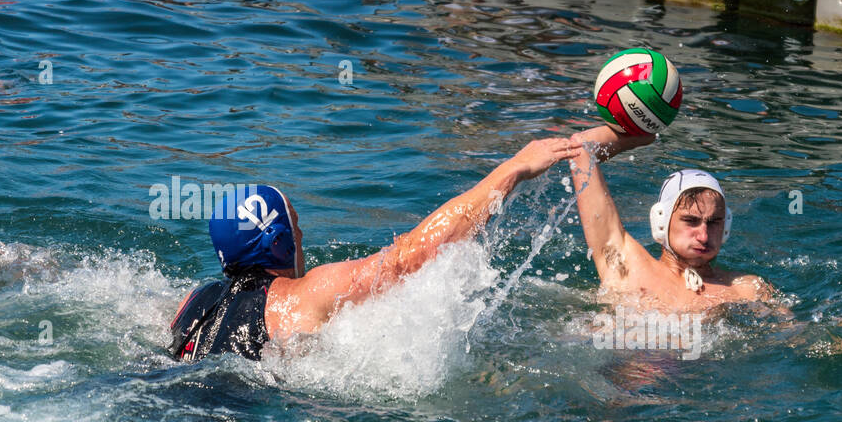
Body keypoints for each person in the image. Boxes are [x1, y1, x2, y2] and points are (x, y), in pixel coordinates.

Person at [167, 137, 583, 362]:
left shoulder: (194, 301)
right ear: (277, 243)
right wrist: (513, 169)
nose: (303, 236)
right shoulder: (305, 293)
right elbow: (410, 257)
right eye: (295, 226)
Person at [565, 125, 776, 312]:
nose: (703, 235)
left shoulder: (747, 289)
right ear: (661, 222)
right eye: (691, 221)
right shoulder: (627, 266)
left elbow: (793, 336)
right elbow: (581, 148)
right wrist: (642, 137)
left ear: (726, 226)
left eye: (714, 223)